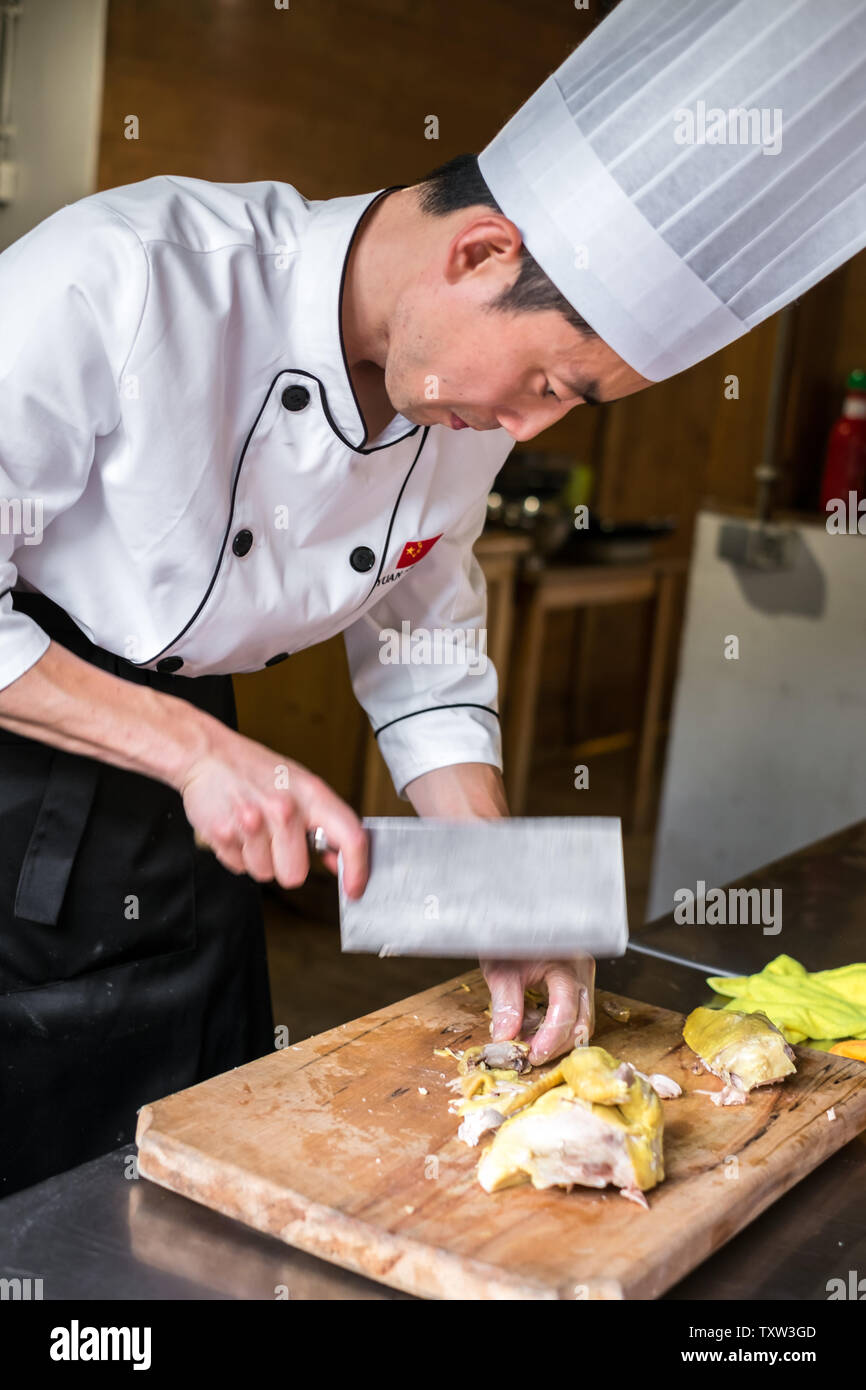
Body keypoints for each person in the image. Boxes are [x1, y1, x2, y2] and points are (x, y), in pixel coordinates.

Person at [1, 0, 864, 1195]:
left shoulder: (459, 399)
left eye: (571, 405)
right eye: (547, 383)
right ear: (478, 255)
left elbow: (418, 641)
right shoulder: (130, 277)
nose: (526, 428)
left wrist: (498, 884)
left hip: (194, 806)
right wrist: (191, 750)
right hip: (31, 753)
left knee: (196, 1149)